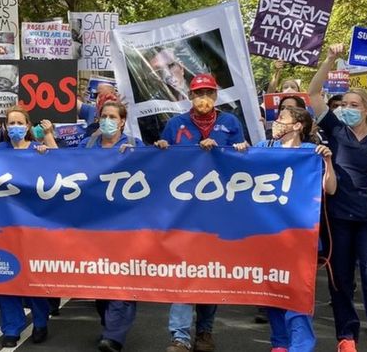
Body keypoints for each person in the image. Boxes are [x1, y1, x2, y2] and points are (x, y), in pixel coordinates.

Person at [307, 43, 367, 352]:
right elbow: (312, 93)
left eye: (353, 104)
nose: (345, 108)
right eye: (343, 103)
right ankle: (346, 337)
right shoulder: (335, 130)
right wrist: (331, 58)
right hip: (339, 220)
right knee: (341, 281)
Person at [154, 73, 247, 352]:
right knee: (184, 270)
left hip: (219, 212)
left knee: (209, 272)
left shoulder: (230, 123)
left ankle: (205, 332)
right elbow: (163, 166)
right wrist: (161, 148)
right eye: (197, 94)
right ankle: (180, 337)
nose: (202, 98)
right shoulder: (175, 124)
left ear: (216, 96)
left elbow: (243, 163)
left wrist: (237, 149)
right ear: (190, 97)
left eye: (207, 93)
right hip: (184, 212)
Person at [255, 106, 336, 352]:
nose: (276, 123)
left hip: (301, 236)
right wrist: (239, 149)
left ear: (298, 125)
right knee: (272, 288)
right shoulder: (264, 147)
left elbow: (331, 189)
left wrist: (328, 161)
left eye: (282, 119)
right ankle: (279, 342)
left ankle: (301, 345)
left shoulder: (312, 153)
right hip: (268, 233)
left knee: (297, 291)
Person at [0, 105, 54, 347]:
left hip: (32, 224)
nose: (15, 128)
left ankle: (40, 322)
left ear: (28, 126)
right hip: (2, 224)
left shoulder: (38, 150)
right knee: (3, 274)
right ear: (5, 127)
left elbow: (62, 168)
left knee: (33, 275)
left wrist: (48, 150)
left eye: (20, 123)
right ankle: (11, 326)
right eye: (11, 124)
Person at [78, 101, 140, 352]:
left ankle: (114, 336)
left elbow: (157, 169)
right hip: (93, 225)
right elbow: (64, 163)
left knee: (121, 278)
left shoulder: (134, 146)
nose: (107, 120)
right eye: (104, 116)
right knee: (101, 278)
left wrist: (142, 156)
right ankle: (109, 325)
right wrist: (46, 145)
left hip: (125, 226)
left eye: (112, 116)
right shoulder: (88, 144)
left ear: (122, 121)